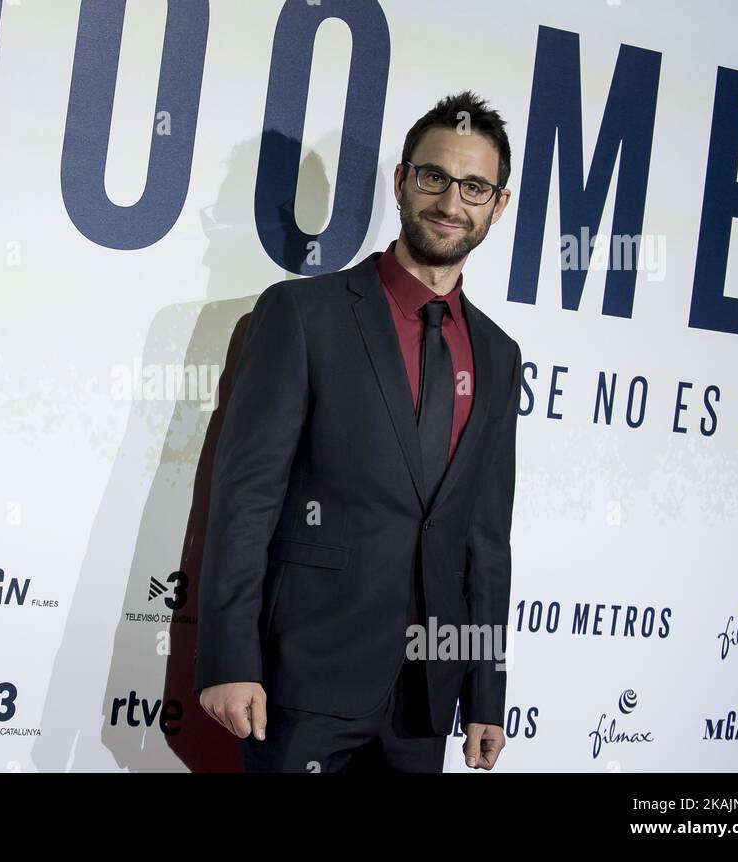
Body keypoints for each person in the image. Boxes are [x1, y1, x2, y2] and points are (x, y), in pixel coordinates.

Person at [193, 91, 522, 772]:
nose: (450, 202)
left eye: (474, 186)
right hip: (301, 684)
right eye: (433, 176)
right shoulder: (303, 315)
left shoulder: (498, 354)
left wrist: (485, 692)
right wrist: (229, 660)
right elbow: (245, 501)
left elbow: (485, 538)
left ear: (499, 204)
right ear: (402, 181)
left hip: (424, 704)